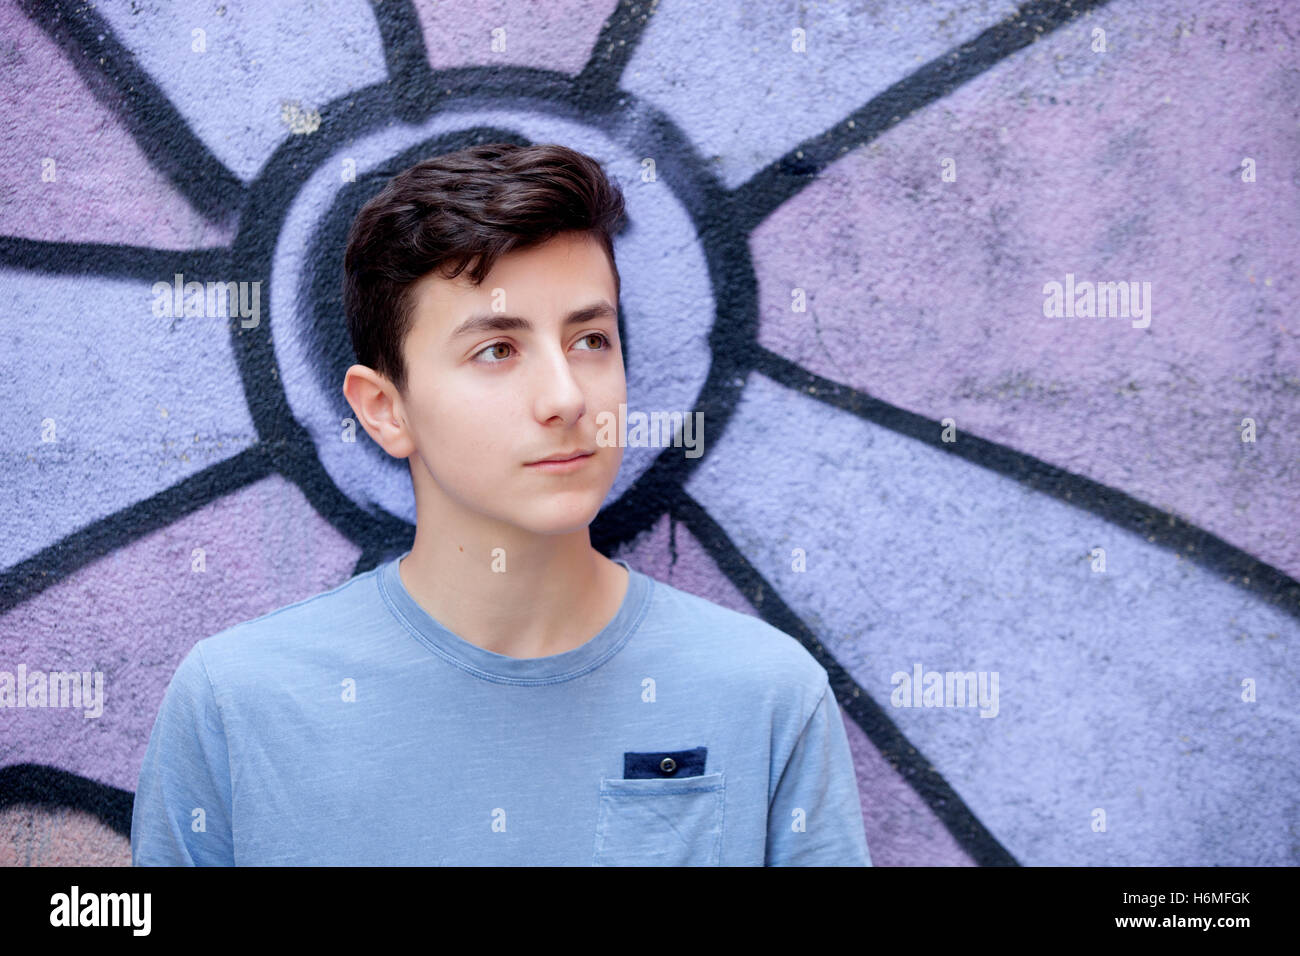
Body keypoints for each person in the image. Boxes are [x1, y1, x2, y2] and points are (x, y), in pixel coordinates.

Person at [130, 143, 871, 866]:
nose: (565, 397)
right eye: (497, 351)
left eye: (590, 339)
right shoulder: (239, 706)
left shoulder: (765, 696)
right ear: (386, 410)